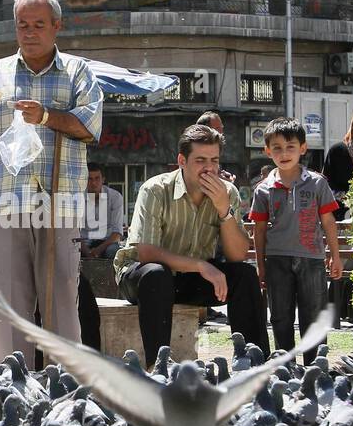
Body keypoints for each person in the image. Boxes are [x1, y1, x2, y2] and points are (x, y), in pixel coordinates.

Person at [0, 0, 103, 360]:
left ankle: (64, 388)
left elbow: (90, 128)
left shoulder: (78, 72)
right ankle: (12, 384)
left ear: (57, 26)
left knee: (61, 299)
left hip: (60, 201)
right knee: (6, 302)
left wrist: (46, 116)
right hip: (7, 200)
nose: (30, 32)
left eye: (39, 24)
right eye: (23, 24)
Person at [114, 124, 270, 367]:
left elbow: (238, 254)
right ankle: (159, 366)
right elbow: (146, 253)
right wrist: (201, 266)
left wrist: (223, 211)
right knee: (157, 274)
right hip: (141, 276)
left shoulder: (226, 192)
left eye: (214, 160)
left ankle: (255, 363)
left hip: (190, 278)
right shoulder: (155, 189)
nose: (209, 168)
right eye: (200, 160)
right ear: (182, 161)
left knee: (245, 275)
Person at [250, 118, 344, 363]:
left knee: (313, 316)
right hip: (277, 261)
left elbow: (328, 222)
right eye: (277, 148)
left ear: (303, 148)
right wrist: (261, 265)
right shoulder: (263, 190)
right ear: (267, 151)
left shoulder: (317, 183)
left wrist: (335, 256)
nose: (284, 153)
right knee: (280, 316)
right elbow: (258, 231)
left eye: (290, 146)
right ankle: (286, 367)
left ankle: (315, 368)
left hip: (312, 259)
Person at [80, 163, 125, 262]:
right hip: (84, 242)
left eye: (97, 178)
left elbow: (117, 233)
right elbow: (74, 231)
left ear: (103, 179)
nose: (94, 183)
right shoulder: (78, 198)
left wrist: (98, 250)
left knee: (114, 251)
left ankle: (113, 278)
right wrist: (87, 252)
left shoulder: (115, 197)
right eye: (90, 179)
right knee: (69, 250)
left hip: (107, 241)